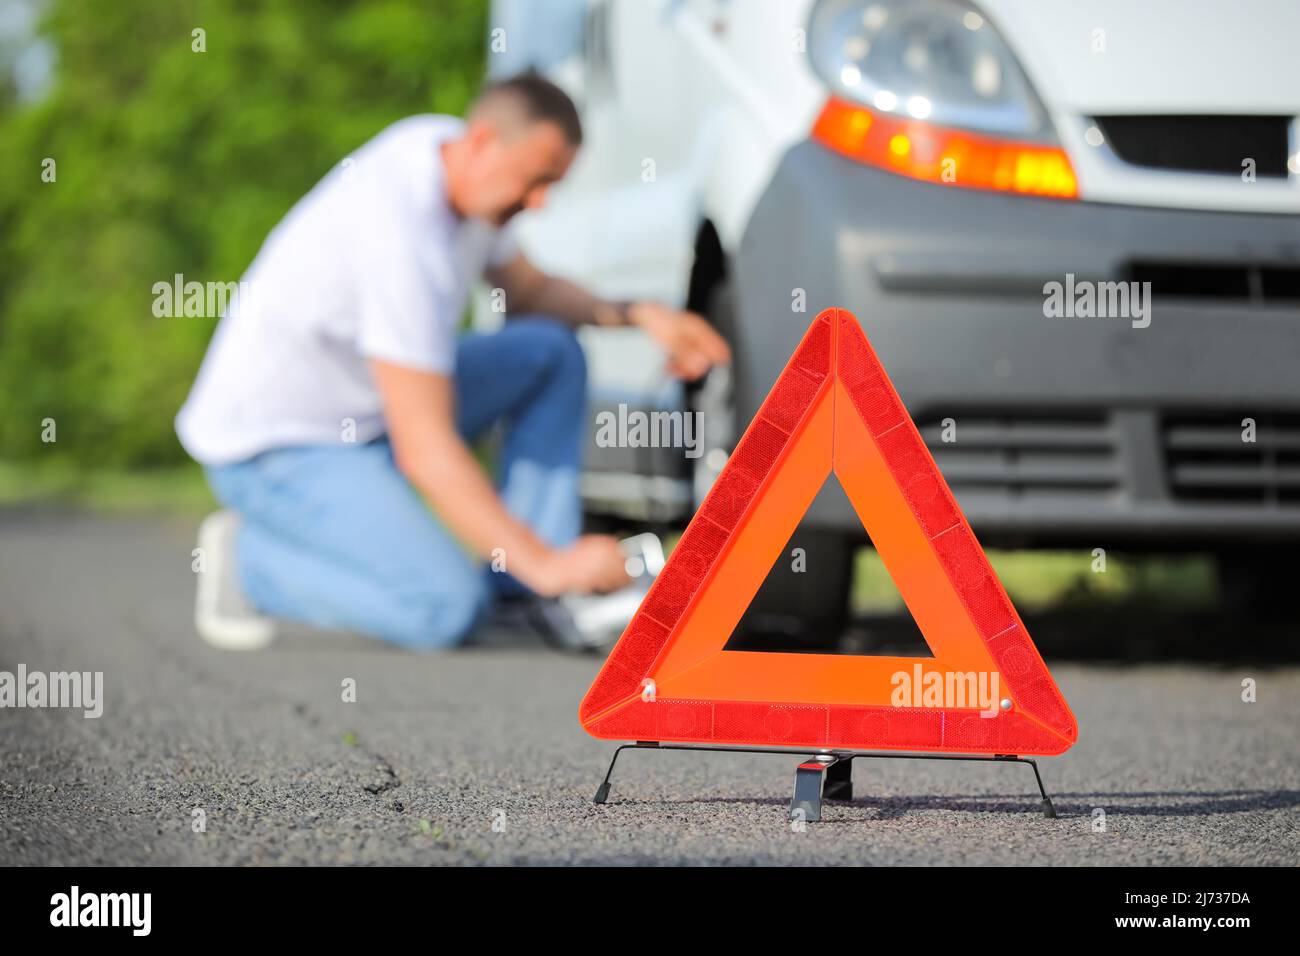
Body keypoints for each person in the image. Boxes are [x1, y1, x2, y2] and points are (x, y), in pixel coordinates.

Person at [175, 73, 729, 652]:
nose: (538, 203)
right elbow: (425, 448)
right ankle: (251, 561)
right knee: (444, 609)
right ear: (485, 142)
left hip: (368, 416)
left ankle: (524, 595)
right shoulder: (399, 235)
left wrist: (641, 315)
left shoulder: (446, 152)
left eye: (552, 186)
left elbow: (531, 292)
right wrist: (549, 561)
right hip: (278, 450)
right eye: (535, 181)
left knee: (548, 352)